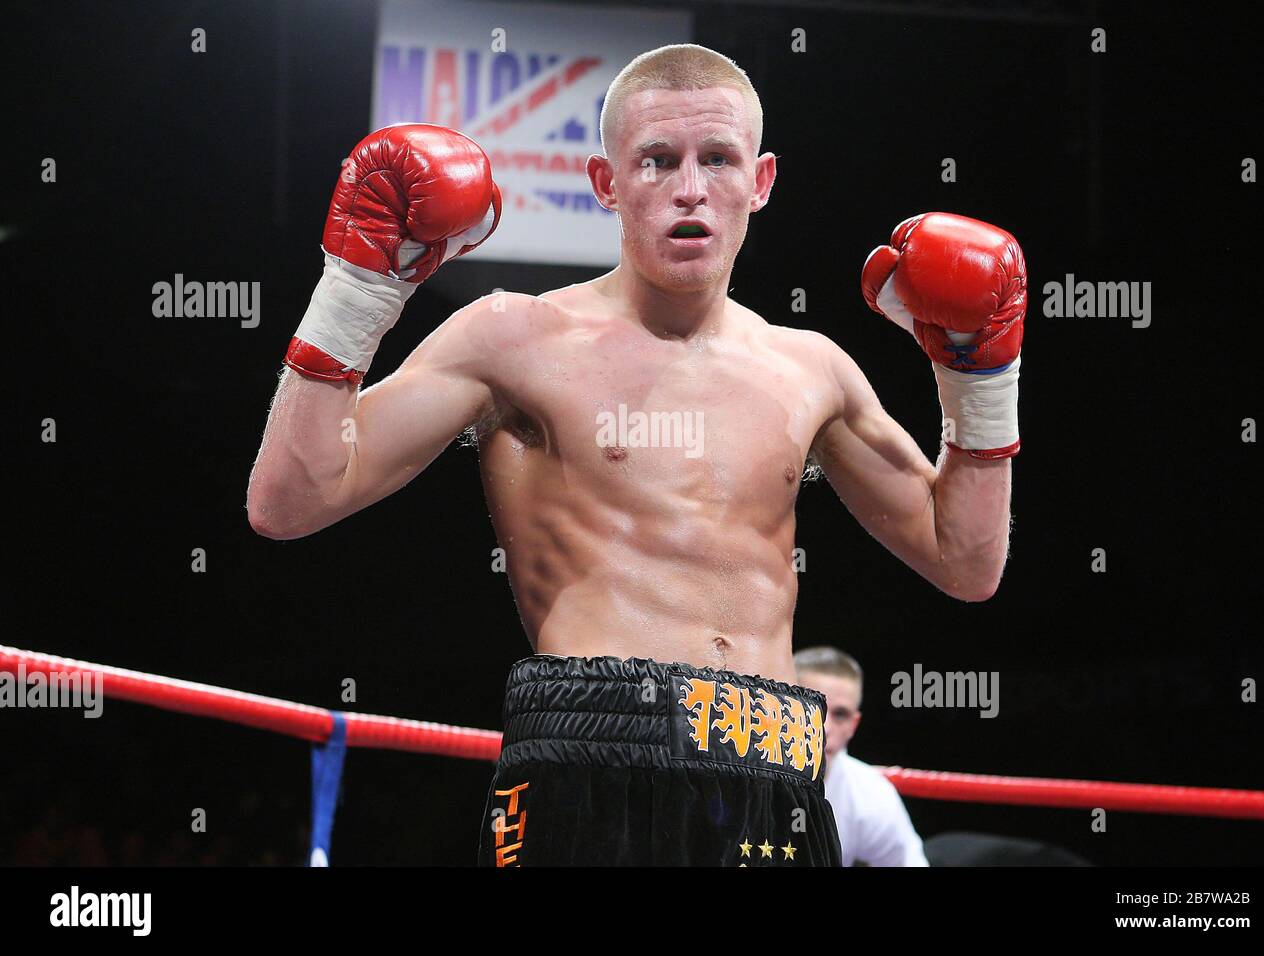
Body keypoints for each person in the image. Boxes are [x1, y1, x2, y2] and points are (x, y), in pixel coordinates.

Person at [247, 43, 1023, 866]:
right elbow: (289, 499)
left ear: (759, 183)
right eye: (657, 160)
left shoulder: (813, 369)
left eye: (717, 159)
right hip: (591, 754)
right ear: (606, 183)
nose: (690, 188)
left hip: (777, 770)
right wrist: (358, 290)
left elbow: (965, 560)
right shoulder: (514, 336)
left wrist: (981, 376)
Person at [794, 646, 928, 866]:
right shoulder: (736, 773)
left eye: (839, 714)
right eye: (812, 708)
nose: (825, 727)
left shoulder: (871, 794)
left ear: (853, 726)